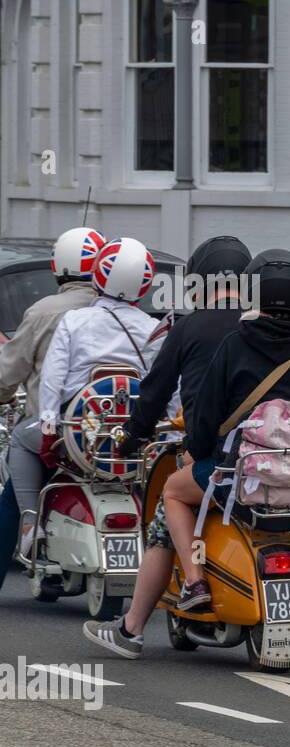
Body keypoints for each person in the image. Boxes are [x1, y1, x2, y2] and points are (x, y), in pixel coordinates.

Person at [81, 236, 252, 656]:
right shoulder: (264, 324)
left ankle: (135, 627)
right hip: (273, 458)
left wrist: (128, 438)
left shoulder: (189, 325)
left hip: (213, 458)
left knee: (164, 516)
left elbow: (155, 394)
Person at [157, 250, 290, 611]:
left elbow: (206, 414)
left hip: (239, 476)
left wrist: (197, 449)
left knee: (173, 492)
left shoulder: (236, 343)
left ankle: (194, 582)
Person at [8, 238, 162, 566]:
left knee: (21, 440)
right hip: (130, 435)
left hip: (79, 430)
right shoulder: (152, 329)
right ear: (145, 284)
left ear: (99, 275)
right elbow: (160, 386)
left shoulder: (76, 322)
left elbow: (52, 379)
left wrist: (50, 430)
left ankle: (30, 523)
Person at [0, 227, 104, 588]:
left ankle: (30, 524)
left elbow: (8, 373)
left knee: (11, 498)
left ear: (59, 268)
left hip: (54, 431)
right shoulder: (120, 313)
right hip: (110, 434)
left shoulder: (42, 311)